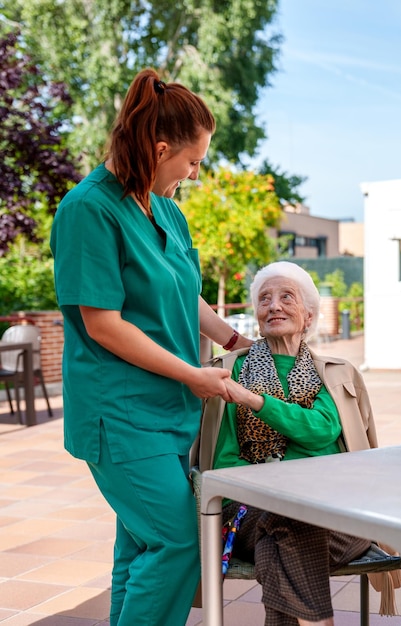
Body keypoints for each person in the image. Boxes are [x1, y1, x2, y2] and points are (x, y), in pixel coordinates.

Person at [50, 68, 252, 626]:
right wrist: (194, 375)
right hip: (119, 415)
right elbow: (104, 325)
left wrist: (239, 342)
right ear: (160, 148)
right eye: (192, 161)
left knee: (139, 551)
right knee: (178, 542)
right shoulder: (87, 209)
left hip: (170, 414)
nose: (193, 174)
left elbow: (185, 294)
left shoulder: (166, 209)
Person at [213, 261, 378, 626]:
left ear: (308, 317)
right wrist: (276, 490)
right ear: (256, 316)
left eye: (287, 297)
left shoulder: (331, 374)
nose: (274, 306)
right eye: (265, 299)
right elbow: (224, 459)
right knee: (286, 513)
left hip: (338, 515)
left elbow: (321, 429)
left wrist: (257, 402)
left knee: (278, 548)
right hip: (251, 512)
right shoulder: (234, 372)